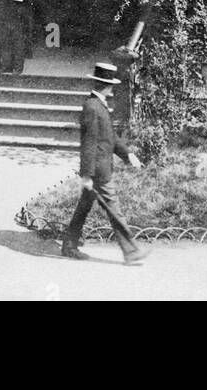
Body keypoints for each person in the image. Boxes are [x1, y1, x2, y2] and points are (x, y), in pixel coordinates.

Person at [62, 62, 148, 266]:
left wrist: (128, 155)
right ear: (108, 86)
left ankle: (69, 245)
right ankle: (131, 251)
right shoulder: (92, 107)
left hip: (99, 167)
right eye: (112, 85)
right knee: (114, 209)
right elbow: (89, 142)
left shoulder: (98, 104)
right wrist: (87, 175)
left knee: (84, 207)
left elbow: (110, 137)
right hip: (99, 170)